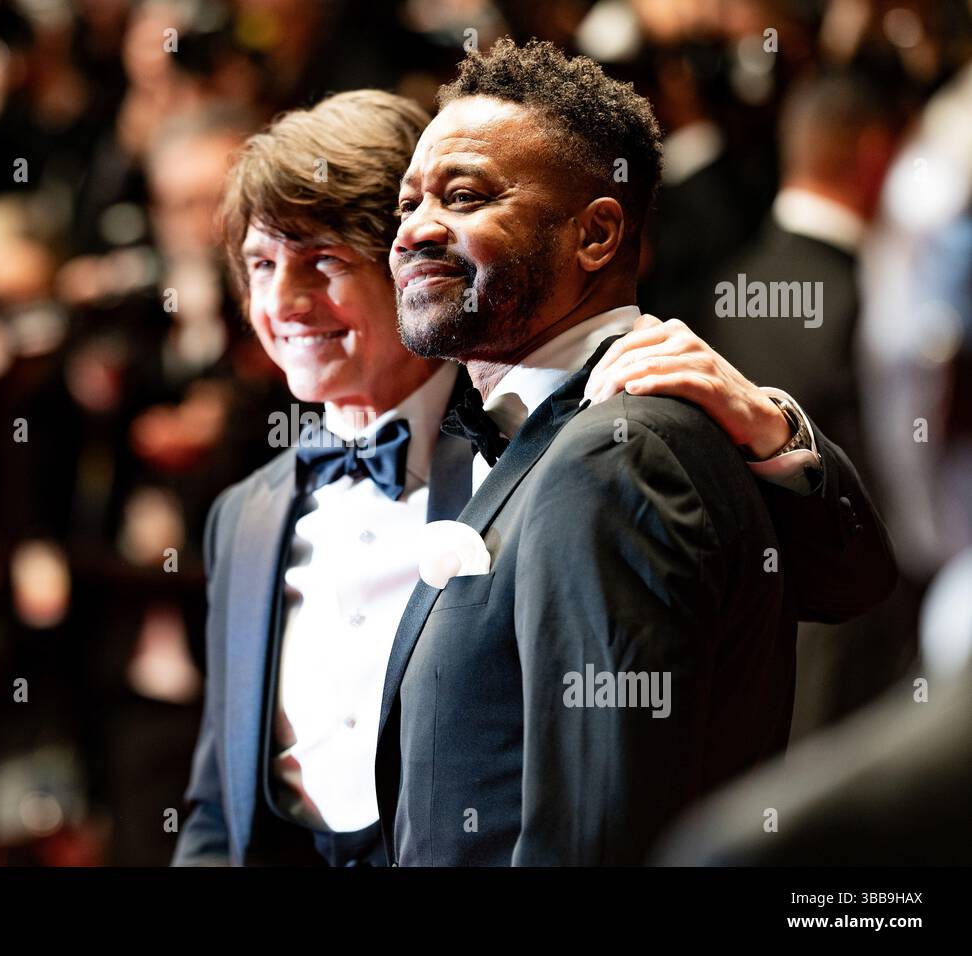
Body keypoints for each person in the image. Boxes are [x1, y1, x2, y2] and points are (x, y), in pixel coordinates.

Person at [175, 80, 893, 866]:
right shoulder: (257, 508)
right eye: (259, 263)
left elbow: (846, 585)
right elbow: (218, 807)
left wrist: (775, 426)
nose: (284, 300)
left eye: (322, 260)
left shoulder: (589, 435)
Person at [375, 38, 895, 866]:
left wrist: (779, 432)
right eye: (407, 205)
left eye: (463, 196)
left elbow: (596, 835)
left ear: (597, 233)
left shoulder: (614, 454)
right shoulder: (527, 436)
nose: (415, 231)